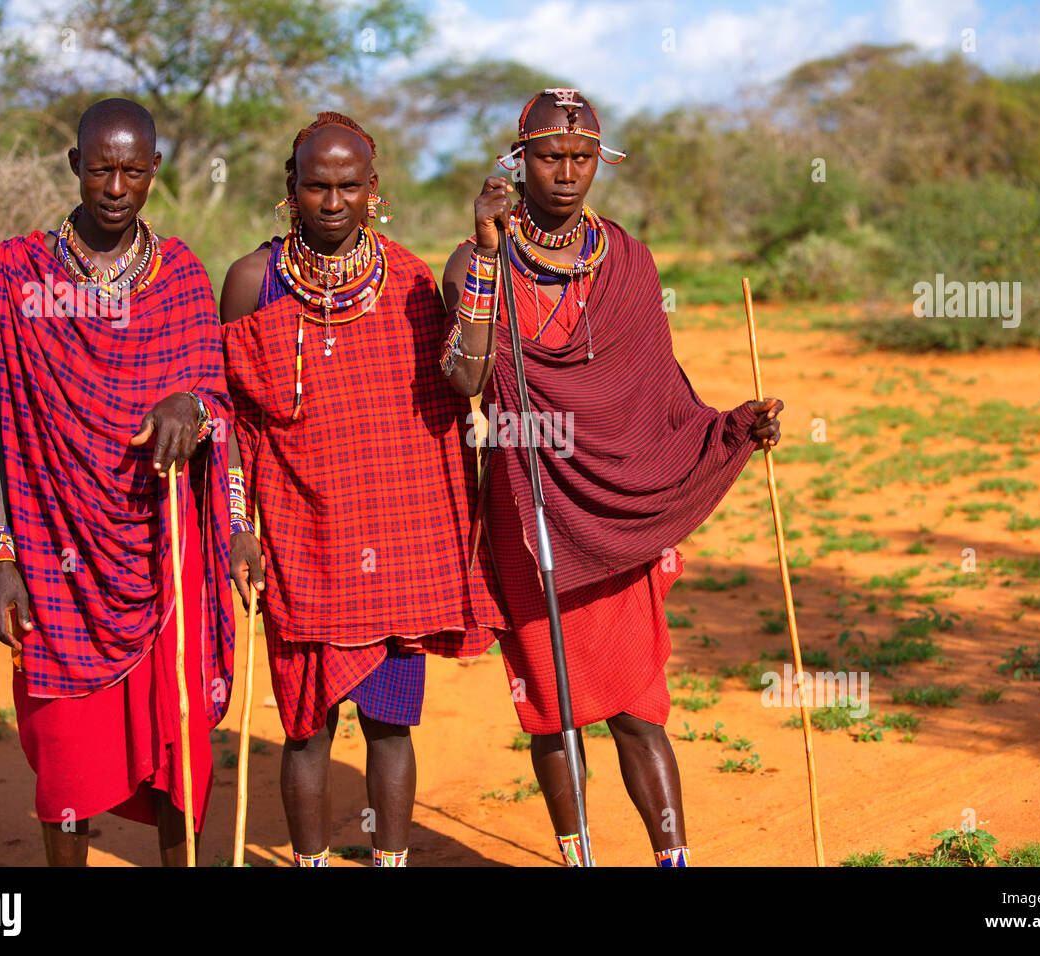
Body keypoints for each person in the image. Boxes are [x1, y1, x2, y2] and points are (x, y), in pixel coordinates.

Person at [440, 89, 784, 867]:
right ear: (516, 159)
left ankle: (673, 859)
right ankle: (579, 860)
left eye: (583, 157)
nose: (566, 173)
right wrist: (490, 256)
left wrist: (732, 426)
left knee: (635, 706)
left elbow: (659, 390)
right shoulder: (475, 259)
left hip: (614, 515)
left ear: (601, 161)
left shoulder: (626, 259)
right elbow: (463, 379)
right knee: (555, 711)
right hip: (528, 511)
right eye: (550, 156)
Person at [220, 112, 503, 868]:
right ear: (292, 188)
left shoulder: (410, 281)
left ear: (374, 190)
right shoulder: (253, 282)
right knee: (306, 730)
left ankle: (391, 862)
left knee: (388, 727)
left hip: (396, 549)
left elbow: (460, 388)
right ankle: (310, 863)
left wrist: (482, 253)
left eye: (350, 186)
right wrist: (238, 529)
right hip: (298, 541)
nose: (334, 202)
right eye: (318, 186)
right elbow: (234, 426)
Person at [0, 98, 235, 866]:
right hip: (56, 543)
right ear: (75, 167)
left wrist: (189, 405)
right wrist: (0, 556)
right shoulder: (23, 276)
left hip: (162, 550)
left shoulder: (182, 277)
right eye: (100, 169)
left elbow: (215, 402)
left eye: (132, 171)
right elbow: (5, 417)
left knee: (176, 737)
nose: (116, 186)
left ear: (155, 170)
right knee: (67, 751)